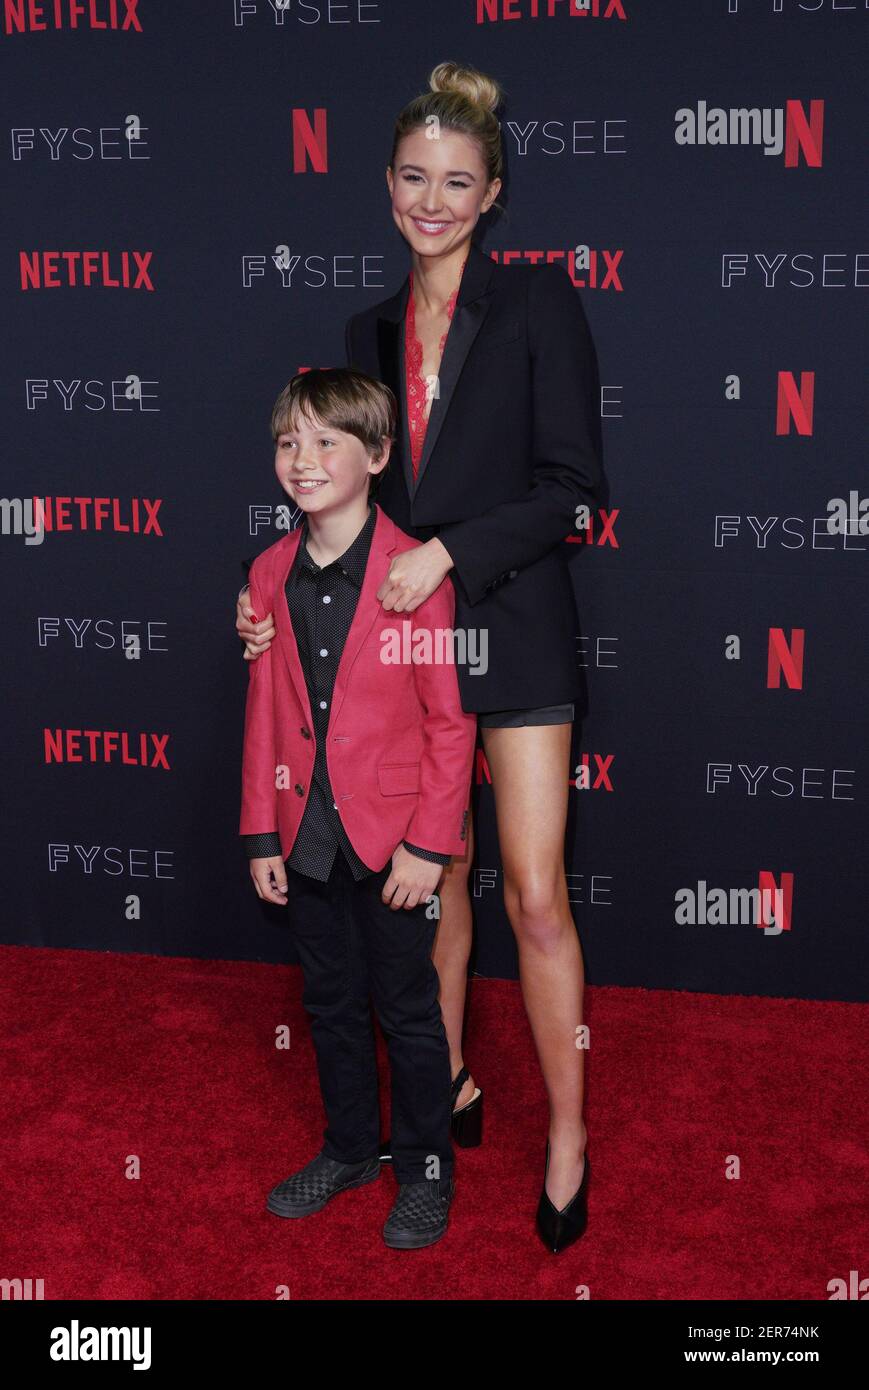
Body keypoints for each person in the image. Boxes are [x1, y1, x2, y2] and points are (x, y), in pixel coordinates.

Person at [237, 61, 604, 1252]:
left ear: (491, 192)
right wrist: (275, 610)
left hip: (513, 621)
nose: (432, 200)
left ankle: (565, 1135)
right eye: (413, 178)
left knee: (533, 893)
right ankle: (437, 1105)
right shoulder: (367, 331)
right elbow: (340, 507)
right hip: (401, 640)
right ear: (387, 185)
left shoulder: (541, 301)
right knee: (425, 877)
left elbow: (569, 492)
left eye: (457, 181)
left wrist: (446, 555)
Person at [240, 366, 476, 1249]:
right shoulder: (265, 573)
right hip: (305, 835)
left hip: (394, 840)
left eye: (327, 440)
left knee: (407, 1009)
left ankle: (423, 1168)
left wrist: (429, 845)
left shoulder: (414, 574)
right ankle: (347, 1149)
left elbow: (449, 727)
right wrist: (261, 828)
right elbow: (266, 711)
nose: (303, 460)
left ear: (377, 455)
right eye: (288, 441)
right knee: (329, 1003)